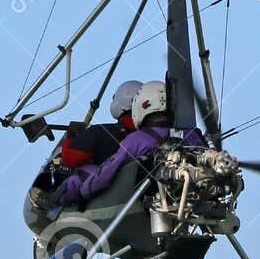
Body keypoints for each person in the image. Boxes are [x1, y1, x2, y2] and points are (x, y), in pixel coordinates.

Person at [48, 80, 200, 210]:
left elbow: (88, 167)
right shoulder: (191, 134)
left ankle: (53, 206)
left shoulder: (135, 139)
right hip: (182, 195)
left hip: (128, 200)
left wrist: (82, 194)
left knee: (81, 174)